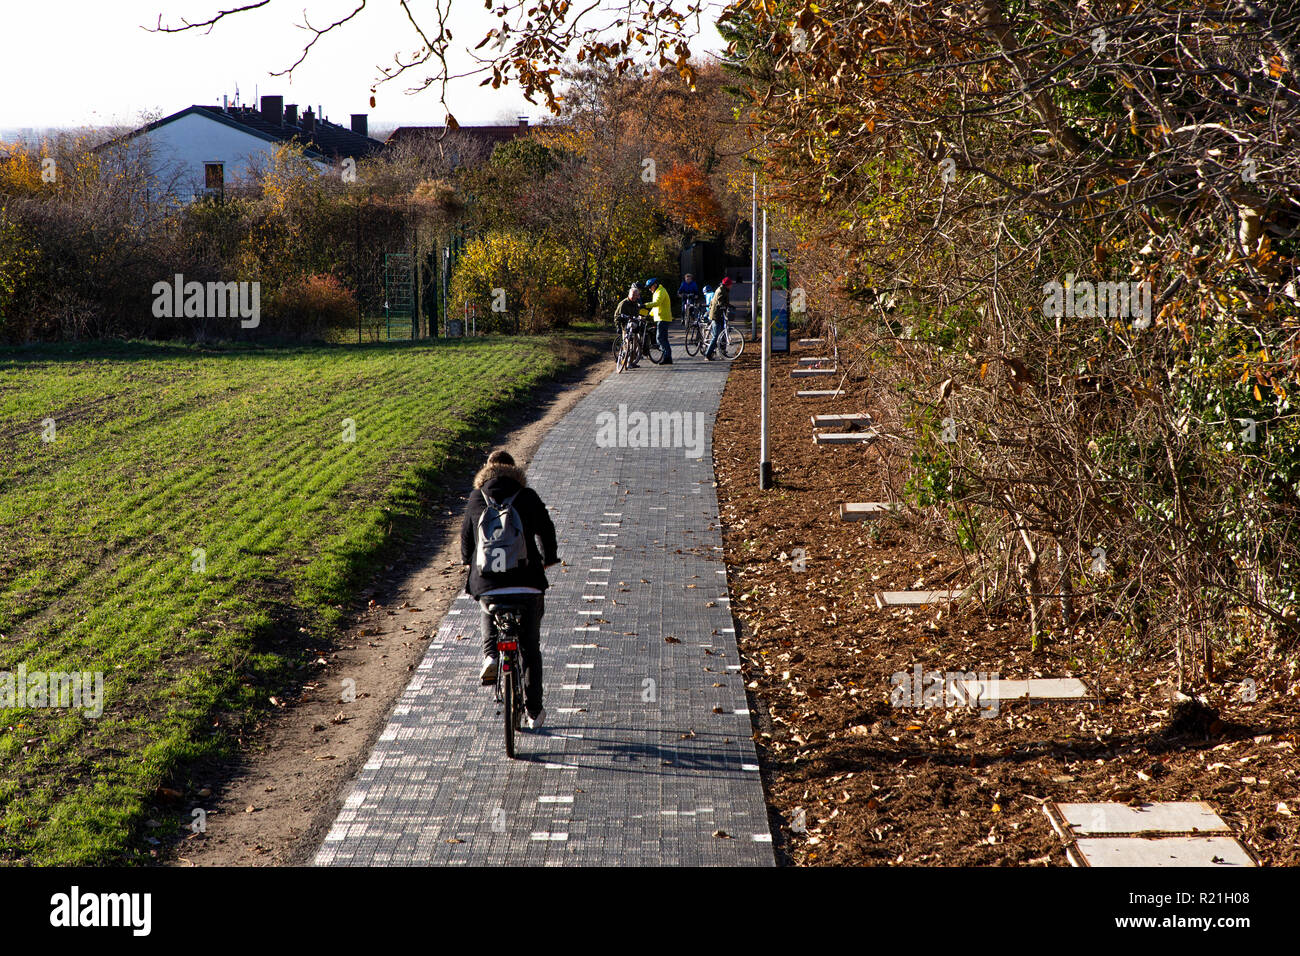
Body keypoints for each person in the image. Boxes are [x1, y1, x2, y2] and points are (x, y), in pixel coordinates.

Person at [460, 449, 559, 729]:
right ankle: (533, 711)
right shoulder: (527, 497)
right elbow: (546, 530)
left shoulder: (476, 498)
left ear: (487, 470)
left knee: (487, 605)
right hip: (527, 583)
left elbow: (467, 543)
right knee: (530, 648)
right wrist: (549, 558)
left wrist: (472, 563)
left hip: (489, 582)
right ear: (514, 471)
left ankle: (491, 655)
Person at [614, 284, 644, 368]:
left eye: (636, 296)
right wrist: (618, 327)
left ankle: (631, 362)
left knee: (635, 346)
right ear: (629, 295)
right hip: (625, 327)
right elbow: (617, 316)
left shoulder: (636, 303)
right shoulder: (623, 304)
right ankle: (625, 361)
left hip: (634, 326)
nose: (635, 297)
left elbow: (637, 314)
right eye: (633, 295)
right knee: (627, 346)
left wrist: (640, 318)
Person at [703, 275, 733, 360]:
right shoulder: (721, 290)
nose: (732, 286)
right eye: (731, 284)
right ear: (727, 284)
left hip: (720, 315)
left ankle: (722, 352)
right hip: (716, 315)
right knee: (716, 336)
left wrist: (729, 306)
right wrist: (727, 305)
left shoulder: (725, 289)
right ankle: (707, 355)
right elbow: (720, 302)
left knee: (722, 333)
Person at [645, 276, 673, 364]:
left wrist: (644, 305)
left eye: (650, 287)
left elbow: (657, 303)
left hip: (663, 318)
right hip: (660, 318)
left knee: (660, 338)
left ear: (654, 285)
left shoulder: (661, 291)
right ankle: (668, 357)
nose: (649, 289)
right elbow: (656, 307)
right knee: (663, 338)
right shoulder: (657, 292)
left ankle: (667, 357)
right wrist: (649, 315)